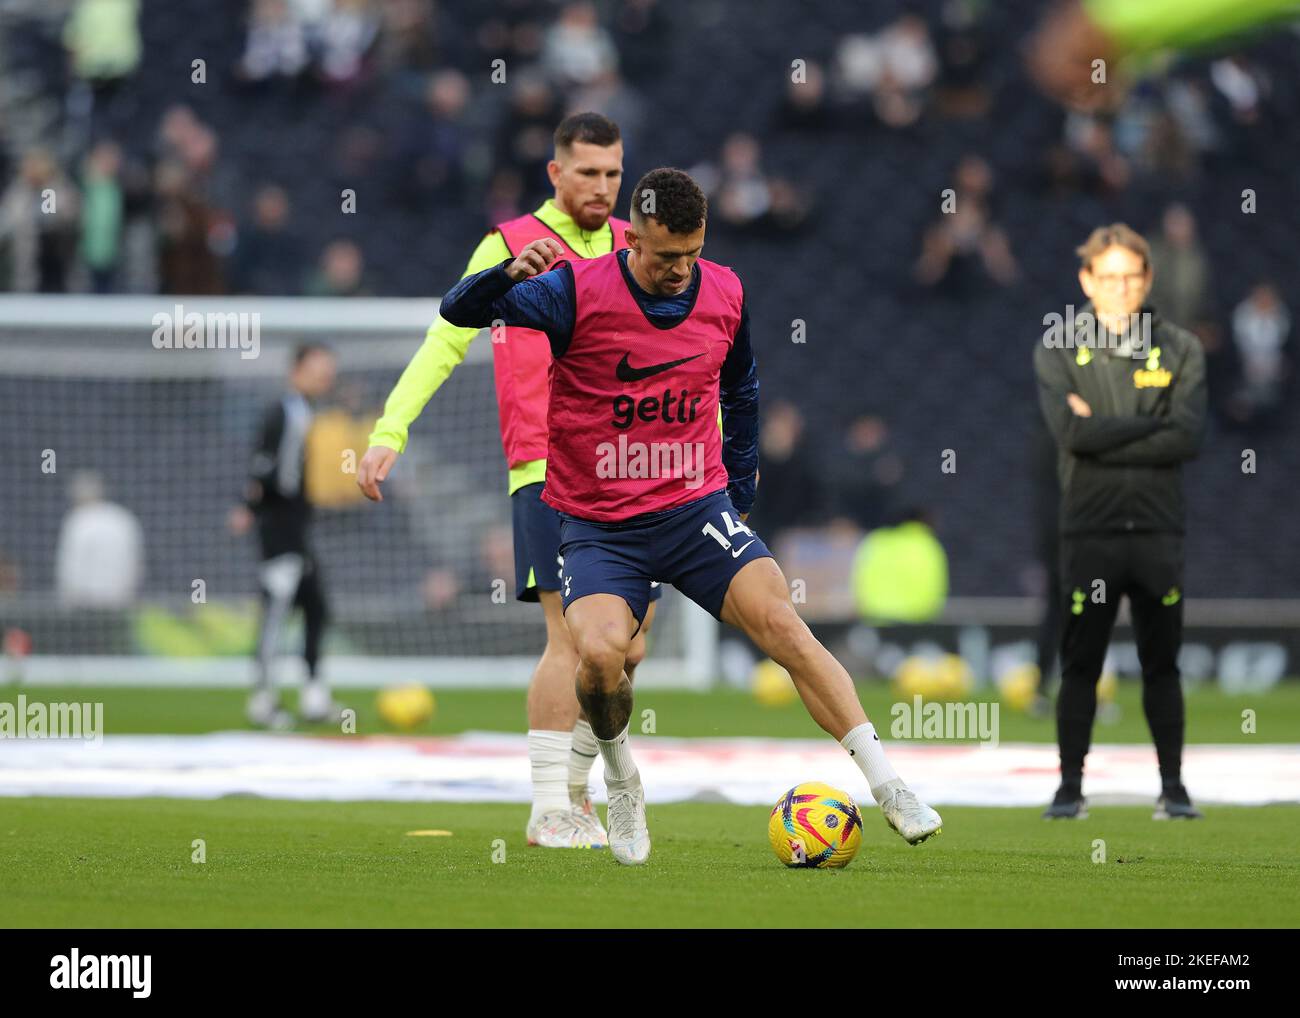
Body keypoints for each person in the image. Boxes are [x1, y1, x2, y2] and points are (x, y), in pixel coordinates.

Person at [438, 166, 943, 865]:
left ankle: (891, 787)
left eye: (691, 254)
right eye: (665, 255)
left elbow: (743, 387)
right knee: (601, 658)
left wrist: (736, 490)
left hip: (691, 508)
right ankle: (621, 780)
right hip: (599, 525)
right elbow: (457, 311)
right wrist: (503, 274)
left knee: (784, 627)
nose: (680, 269)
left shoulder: (726, 290)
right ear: (633, 238)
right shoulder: (574, 291)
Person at [357, 113, 662, 851]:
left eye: (613, 172)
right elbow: (445, 340)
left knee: (627, 649)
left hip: (635, 473)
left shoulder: (635, 247)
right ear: (554, 174)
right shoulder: (510, 246)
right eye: (587, 172)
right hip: (549, 468)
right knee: (567, 639)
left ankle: (576, 789)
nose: (601, 185)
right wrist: (390, 431)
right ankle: (546, 805)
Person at [1034, 223, 1207, 820]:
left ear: (1149, 277)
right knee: (1080, 662)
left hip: (1158, 532)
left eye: (1131, 276)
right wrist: (1148, 427)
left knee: (1164, 662)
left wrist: (1099, 434)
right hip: (1091, 531)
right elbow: (1070, 434)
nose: (1120, 288)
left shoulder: (1181, 347)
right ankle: (1069, 790)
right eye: (1108, 277)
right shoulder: (1057, 347)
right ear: (1087, 279)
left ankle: (1174, 789)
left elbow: (1187, 438)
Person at [230, 343, 341, 729]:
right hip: (281, 532)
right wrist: (250, 507)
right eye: (318, 367)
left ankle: (313, 695)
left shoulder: (306, 413)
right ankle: (262, 699)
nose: (325, 375)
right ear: (296, 370)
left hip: (297, 530)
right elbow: (263, 468)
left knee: (315, 607)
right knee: (276, 613)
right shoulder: (286, 413)